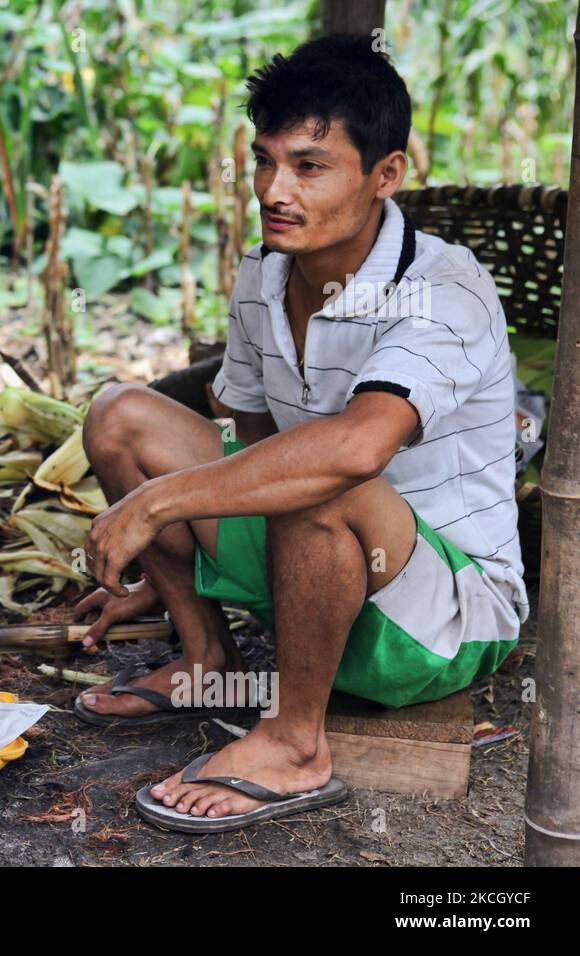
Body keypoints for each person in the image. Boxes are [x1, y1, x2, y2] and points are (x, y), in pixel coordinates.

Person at [76, 34, 528, 833]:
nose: (274, 190)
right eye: (265, 160)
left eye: (310, 166)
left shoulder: (444, 291)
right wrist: (182, 561)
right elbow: (251, 443)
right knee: (121, 416)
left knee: (324, 476)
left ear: (386, 174)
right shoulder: (266, 272)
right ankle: (208, 657)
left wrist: (156, 507)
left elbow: (354, 451)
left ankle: (294, 744)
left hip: (445, 617)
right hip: (316, 575)